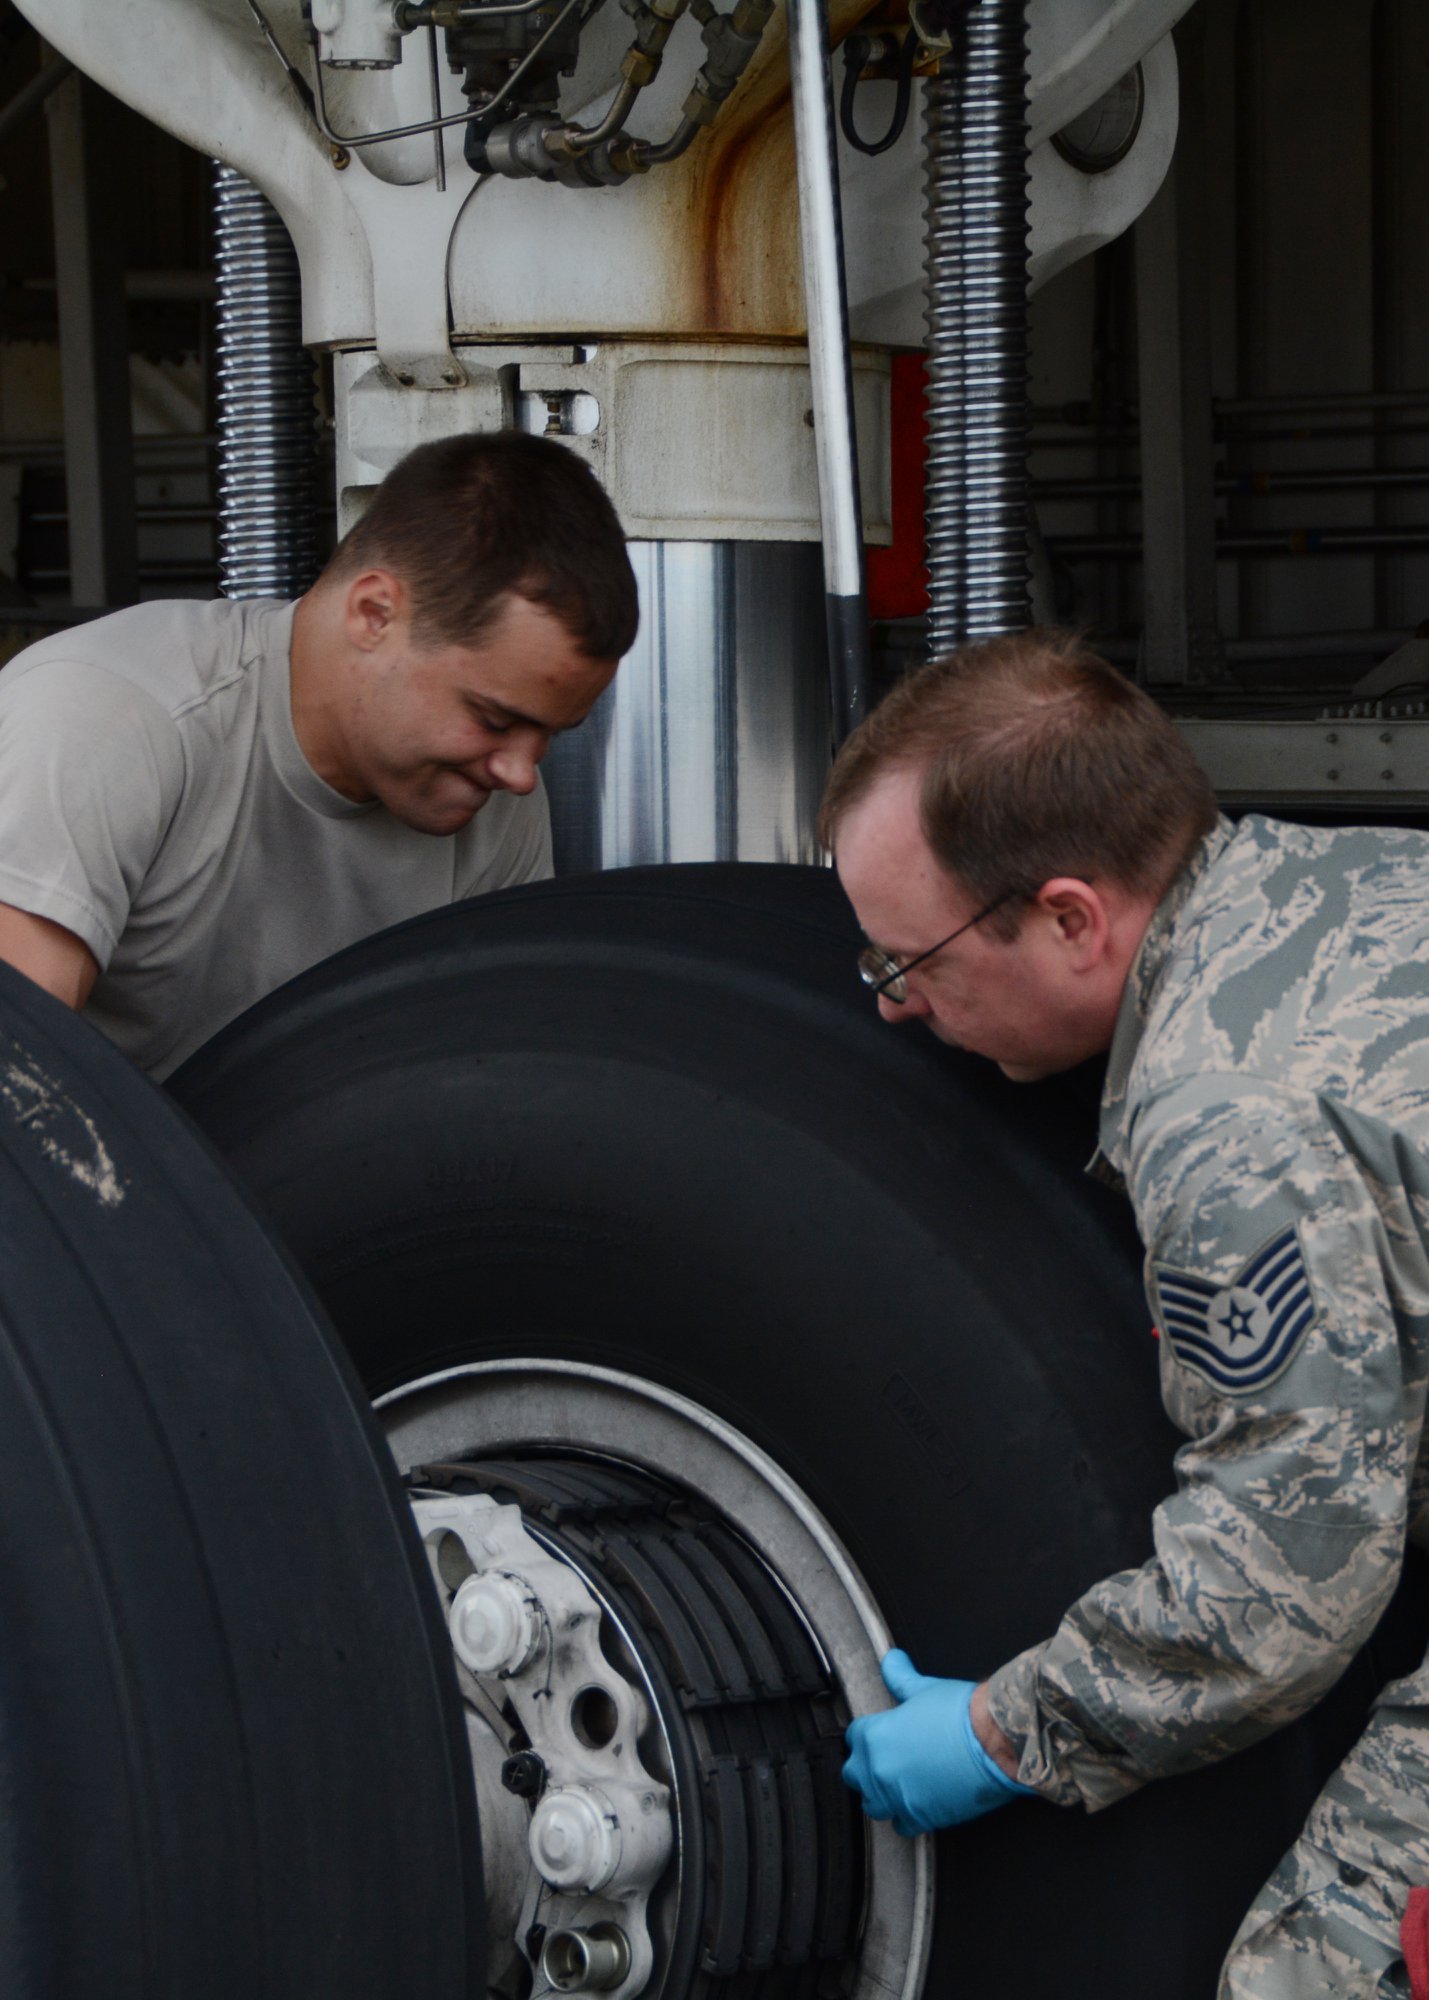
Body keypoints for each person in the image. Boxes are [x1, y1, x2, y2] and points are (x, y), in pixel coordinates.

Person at [822, 626, 1429, 2000]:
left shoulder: (1228, 1122)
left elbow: (1278, 1588)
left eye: (905, 962)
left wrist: (1001, 1733)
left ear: (1070, 919)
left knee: (1325, 1975)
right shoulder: (1346, 879)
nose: (899, 1010)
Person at [0, 429, 637, 1079]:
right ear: (373, 614)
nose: (521, 774)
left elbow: (497, 1083)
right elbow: (14, 1090)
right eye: (494, 717)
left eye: (551, 734)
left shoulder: (493, 796)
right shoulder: (113, 711)